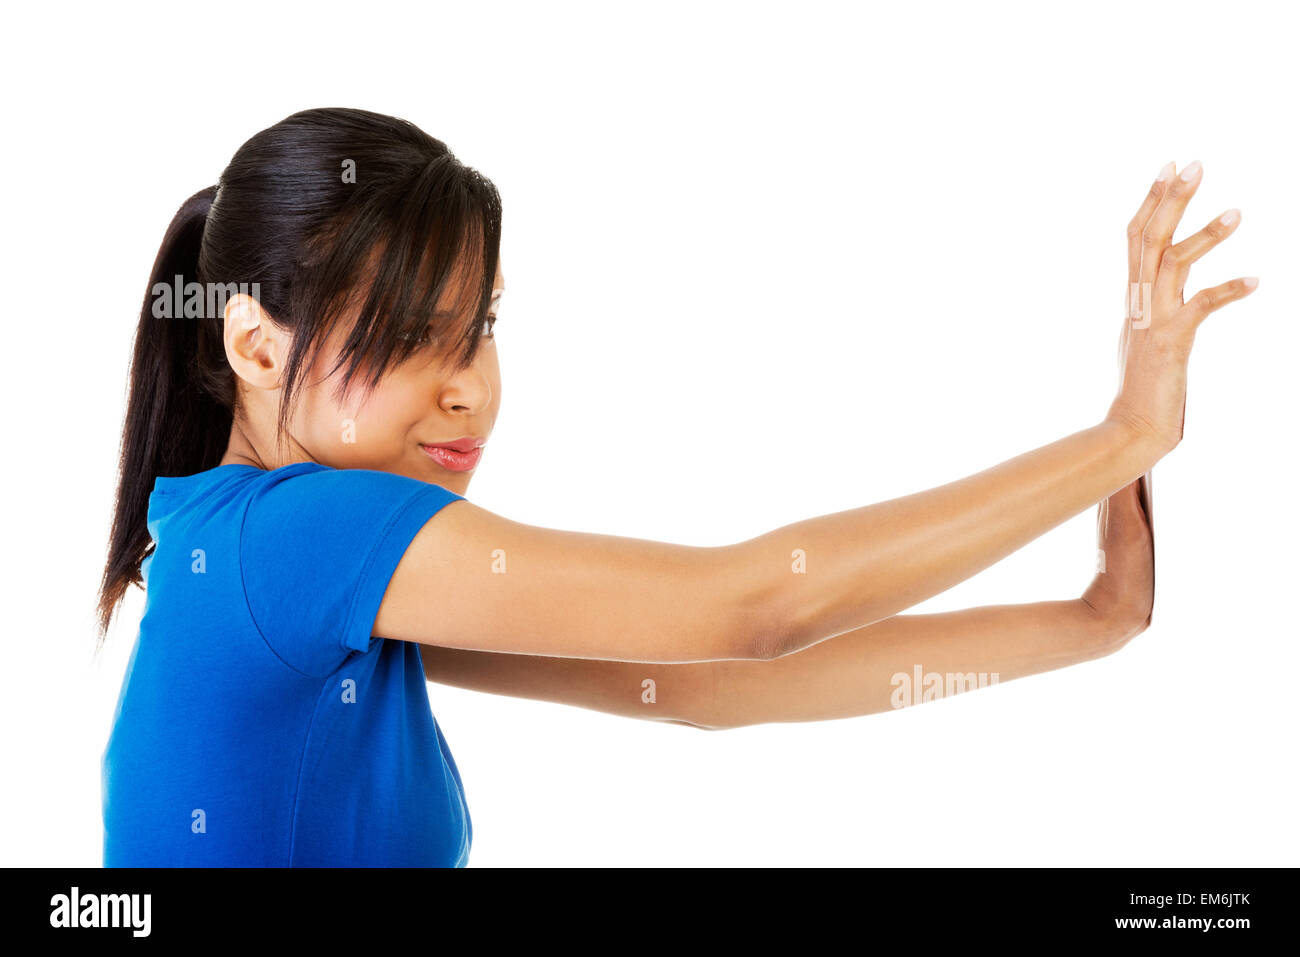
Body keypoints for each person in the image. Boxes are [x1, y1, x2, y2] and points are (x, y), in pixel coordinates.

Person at [97, 108, 1256, 866]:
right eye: (411, 336)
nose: (470, 392)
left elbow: (703, 684)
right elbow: (752, 605)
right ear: (254, 348)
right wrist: (1124, 435)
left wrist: (1093, 620)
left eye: (480, 329)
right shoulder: (297, 535)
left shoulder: (265, 563)